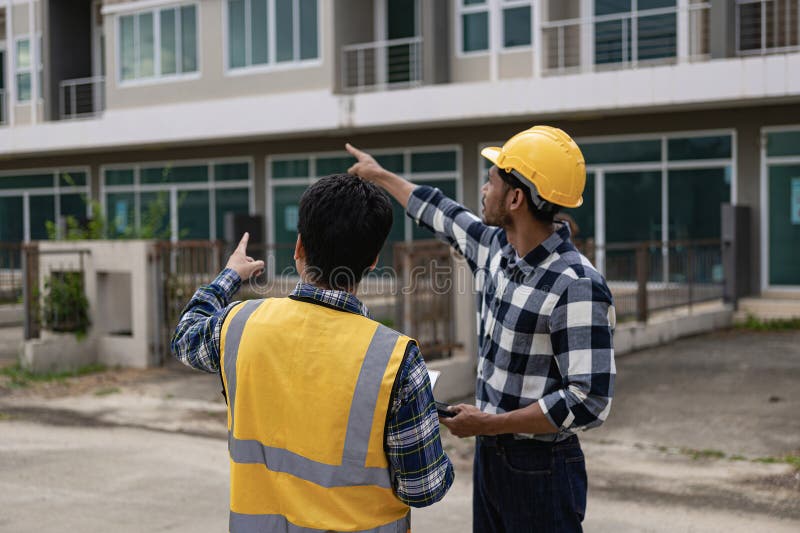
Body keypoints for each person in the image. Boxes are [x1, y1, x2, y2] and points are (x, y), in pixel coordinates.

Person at [346, 126, 616, 533]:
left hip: (542, 468)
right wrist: (378, 175)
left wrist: (490, 423)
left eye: (491, 181)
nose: (484, 191)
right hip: (491, 457)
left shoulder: (576, 284)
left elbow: (588, 400)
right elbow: (440, 212)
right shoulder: (497, 249)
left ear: (515, 198)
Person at [171, 174, 454, 532]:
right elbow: (424, 488)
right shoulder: (396, 360)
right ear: (372, 260)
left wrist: (230, 275)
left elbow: (185, 337)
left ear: (299, 247)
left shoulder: (239, 324)